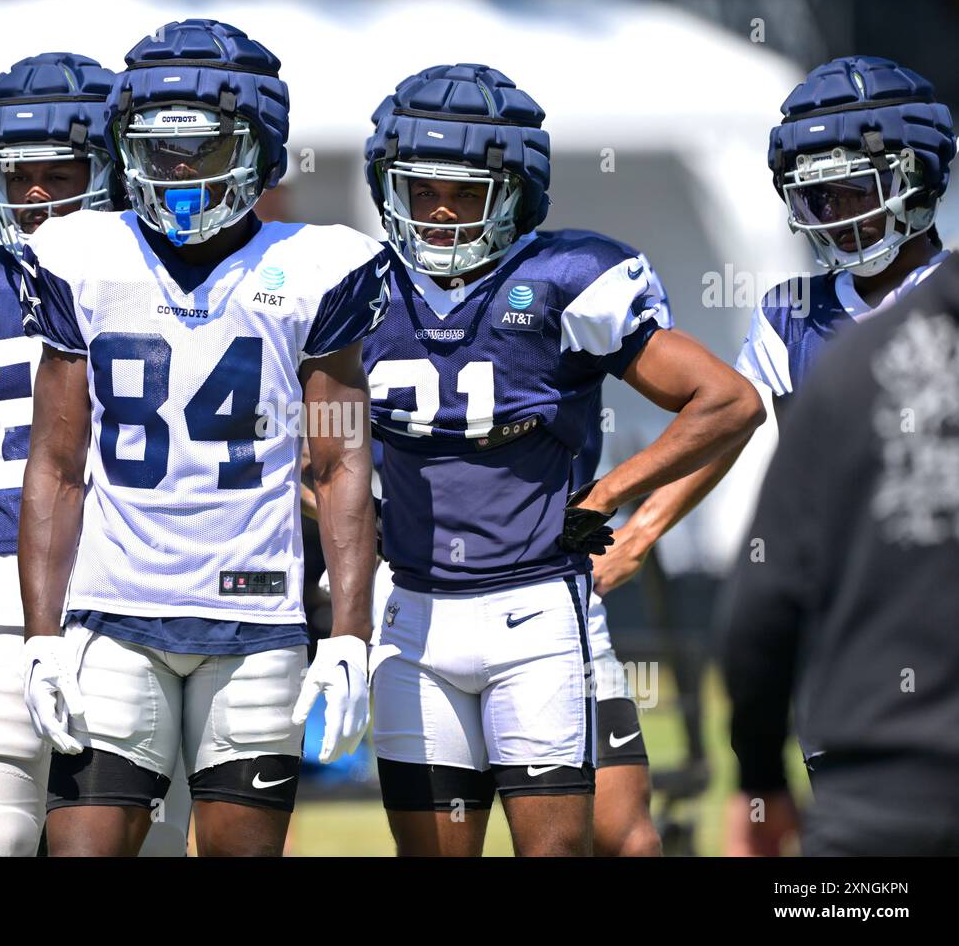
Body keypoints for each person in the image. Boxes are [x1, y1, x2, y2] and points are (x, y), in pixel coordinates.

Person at [362, 63, 764, 856]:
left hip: (545, 601)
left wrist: (617, 505)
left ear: (514, 194)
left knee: (621, 840)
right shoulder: (357, 287)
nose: (440, 212)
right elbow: (298, 443)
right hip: (414, 603)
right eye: (421, 189)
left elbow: (728, 401)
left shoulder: (566, 278)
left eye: (465, 192)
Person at [19, 19, 383, 857]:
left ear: (258, 148)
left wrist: (351, 636)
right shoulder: (83, 254)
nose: (178, 173)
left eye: (202, 150)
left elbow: (337, 462)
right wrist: (42, 636)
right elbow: (58, 463)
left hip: (254, 620)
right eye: (158, 151)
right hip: (114, 613)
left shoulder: (314, 266)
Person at [576, 55, 955, 853]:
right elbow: (737, 431)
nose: (840, 214)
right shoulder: (792, 314)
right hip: (851, 638)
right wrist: (640, 531)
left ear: (918, 177)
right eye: (820, 196)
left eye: (857, 189)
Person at [0, 52, 187, 857]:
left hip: (137, 594)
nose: (32, 190)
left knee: (141, 841)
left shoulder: (167, 275)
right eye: (15, 170)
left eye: (56, 168)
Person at [723, 252, 959, 856]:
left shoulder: (848, 366)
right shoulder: (810, 331)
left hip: (872, 770)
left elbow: (764, 598)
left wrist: (759, 776)